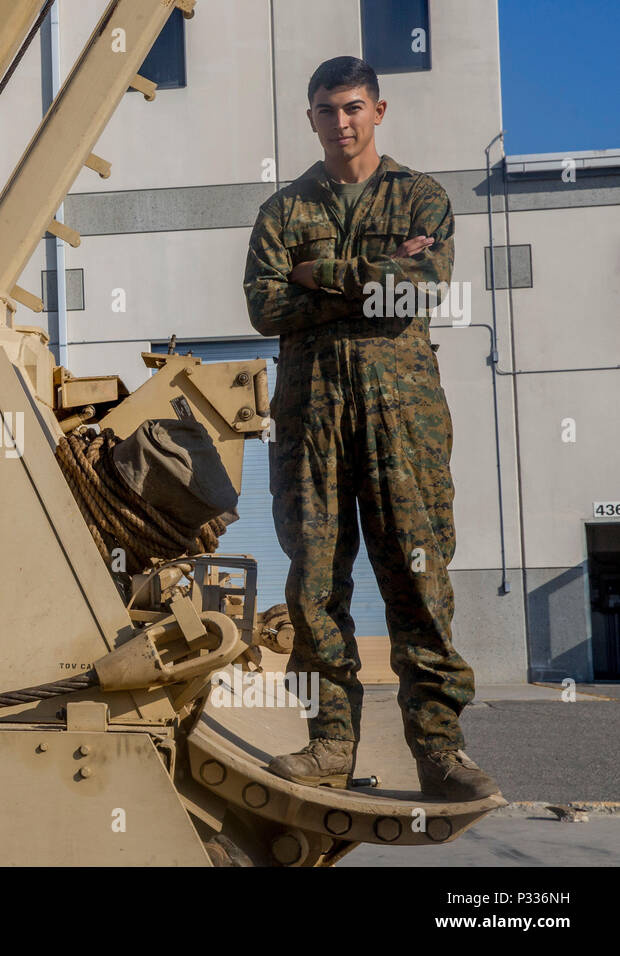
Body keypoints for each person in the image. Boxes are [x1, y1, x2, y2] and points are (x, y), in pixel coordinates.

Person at [242, 56, 499, 801]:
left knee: (420, 579)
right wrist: (373, 272)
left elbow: (416, 292)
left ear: (378, 111)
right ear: (311, 118)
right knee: (316, 585)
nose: (341, 120)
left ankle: (441, 752)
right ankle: (329, 745)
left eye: (353, 106)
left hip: (403, 418)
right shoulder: (284, 211)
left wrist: (316, 273)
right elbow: (264, 309)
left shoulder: (422, 197)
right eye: (327, 109)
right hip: (311, 417)